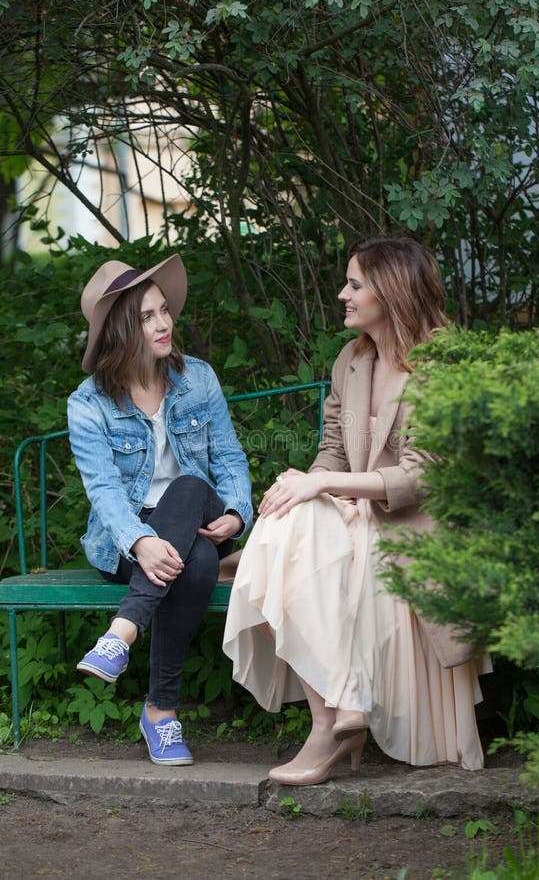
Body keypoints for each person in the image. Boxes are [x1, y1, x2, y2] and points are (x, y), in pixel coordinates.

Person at [223, 236, 491, 785]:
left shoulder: (442, 363)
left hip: (420, 526)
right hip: (361, 515)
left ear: (390, 293)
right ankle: (334, 717)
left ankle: (335, 720)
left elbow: (424, 475)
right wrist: (308, 483)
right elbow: (332, 452)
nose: (342, 294)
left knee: (301, 532)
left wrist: (321, 488)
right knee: (286, 521)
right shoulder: (352, 359)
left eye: (354, 284)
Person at [68, 254, 252, 766]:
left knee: (191, 483)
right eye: (148, 316)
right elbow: (103, 490)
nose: (165, 323)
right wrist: (142, 541)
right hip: (129, 538)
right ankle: (161, 714)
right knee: (193, 565)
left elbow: (230, 458)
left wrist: (238, 514)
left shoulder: (199, 379)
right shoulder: (88, 404)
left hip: (204, 515)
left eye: (164, 311)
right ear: (123, 328)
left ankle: (120, 633)